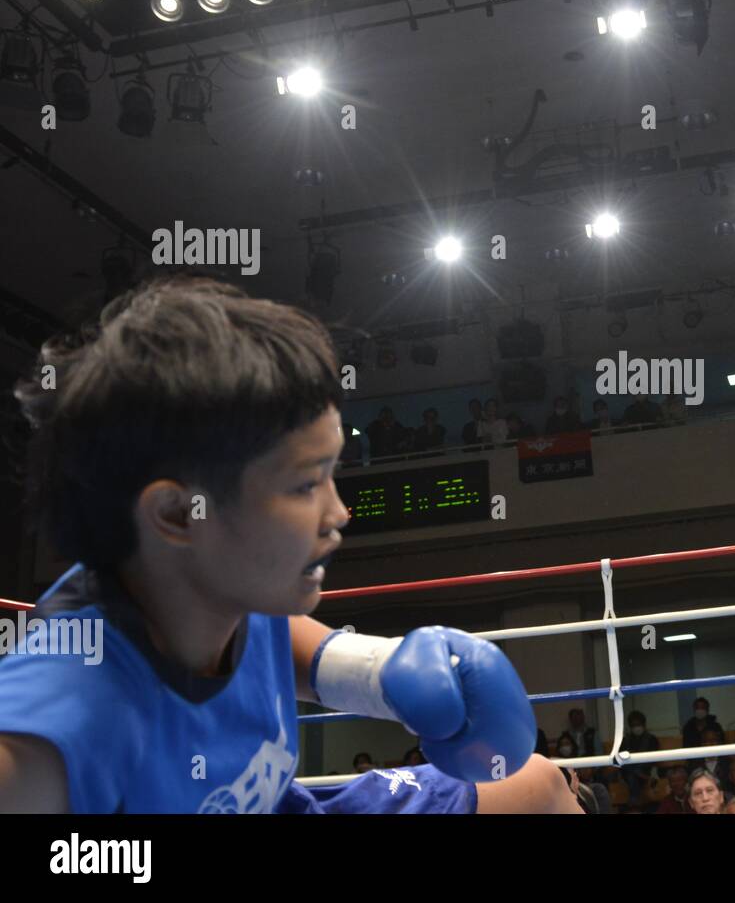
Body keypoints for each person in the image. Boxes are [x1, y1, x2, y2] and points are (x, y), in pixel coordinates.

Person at [0, 276, 578, 814]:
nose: (339, 513)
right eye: (305, 484)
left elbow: (278, 644)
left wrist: (377, 674)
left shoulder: (231, 594)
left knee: (541, 788)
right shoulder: (51, 731)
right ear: (178, 514)